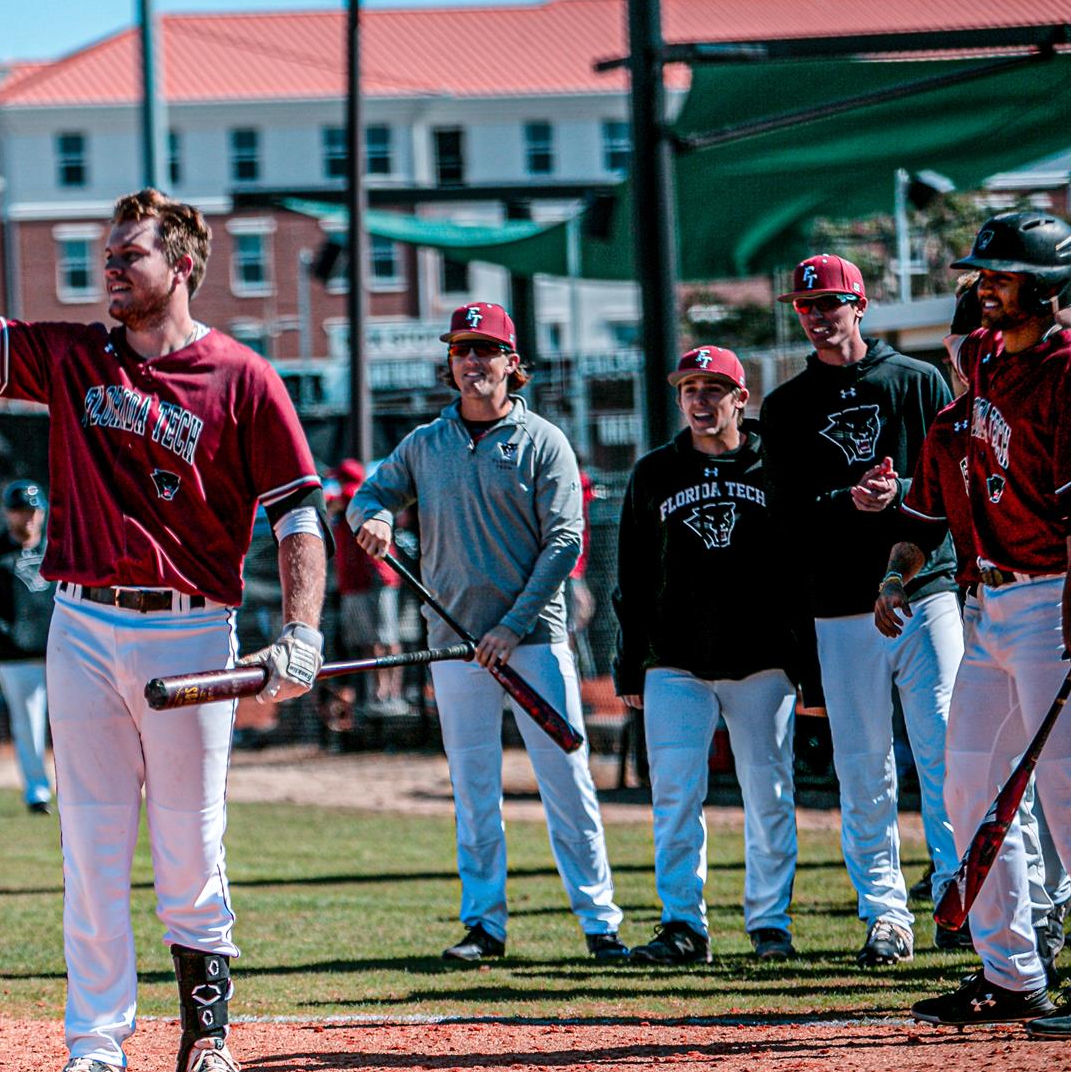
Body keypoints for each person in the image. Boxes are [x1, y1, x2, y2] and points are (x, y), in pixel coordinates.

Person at [0, 170, 326, 1072]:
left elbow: (298, 516)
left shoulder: (241, 377)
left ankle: (206, 1040)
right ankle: (96, 1043)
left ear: (185, 263)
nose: (110, 269)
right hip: (82, 621)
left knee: (189, 840)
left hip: (192, 630)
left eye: (129, 253)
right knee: (89, 844)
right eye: (106, 255)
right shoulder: (78, 357)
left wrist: (301, 631)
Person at [347, 302, 626, 964]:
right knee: (475, 789)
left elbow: (564, 543)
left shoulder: (544, 442)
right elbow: (369, 494)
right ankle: (484, 925)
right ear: (450, 364)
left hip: (532, 641)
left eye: (485, 349)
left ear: (512, 363)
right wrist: (375, 518)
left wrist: (510, 626)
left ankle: (601, 923)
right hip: (453, 644)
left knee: (568, 780)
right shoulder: (424, 443)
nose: (472, 361)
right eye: (462, 350)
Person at [874, 210, 1071, 1029]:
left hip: (1053, 597)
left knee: (1066, 792)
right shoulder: (981, 373)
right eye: (982, 274)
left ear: (1046, 286)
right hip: (985, 604)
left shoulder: (1065, 374)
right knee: (965, 782)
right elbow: (924, 516)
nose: (983, 286)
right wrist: (895, 575)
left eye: (1000, 274)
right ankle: (1012, 973)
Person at [762, 252, 960, 968]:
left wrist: (898, 487)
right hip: (840, 603)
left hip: (925, 587)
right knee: (863, 765)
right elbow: (780, 519)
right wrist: (847, 500)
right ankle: (885, 913)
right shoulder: (785, 407)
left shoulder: (915, 380)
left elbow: (951, 480)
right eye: (806, 305)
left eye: (830, 302)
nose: (817, 315)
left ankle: (955, 896)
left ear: (862, 304)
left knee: (945, 752)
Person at [613, 346, 807, 965]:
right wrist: (630, 663)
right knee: (674, 796)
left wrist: (805, 661)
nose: (701, 400)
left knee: (769, 792)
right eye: (690, 389)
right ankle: (682, 925)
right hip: (675, 662)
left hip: (761, 659)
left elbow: (797, 571)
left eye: (714, 388)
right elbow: (632, 576)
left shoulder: (775, 466)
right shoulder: (653, 472)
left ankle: (770, 922)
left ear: (740, 399)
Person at [0, 479, 57, 814]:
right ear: (8, 514)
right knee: (29, 723)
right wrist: (12, 635)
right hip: (15, 658)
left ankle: (79, 789)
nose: (28, 517)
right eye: (20, 510)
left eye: (34, 510)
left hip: (63, 652)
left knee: (74, 723)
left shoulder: (57, 550)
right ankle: (37, 792)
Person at [327, 459, 406, 723]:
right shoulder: (342, 501)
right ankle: (376, 694)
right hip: (356, 582)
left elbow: (340, 498)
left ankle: (392, 693)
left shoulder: (356, 494)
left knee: (387, 638)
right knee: (368, 642)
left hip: (377, 578)